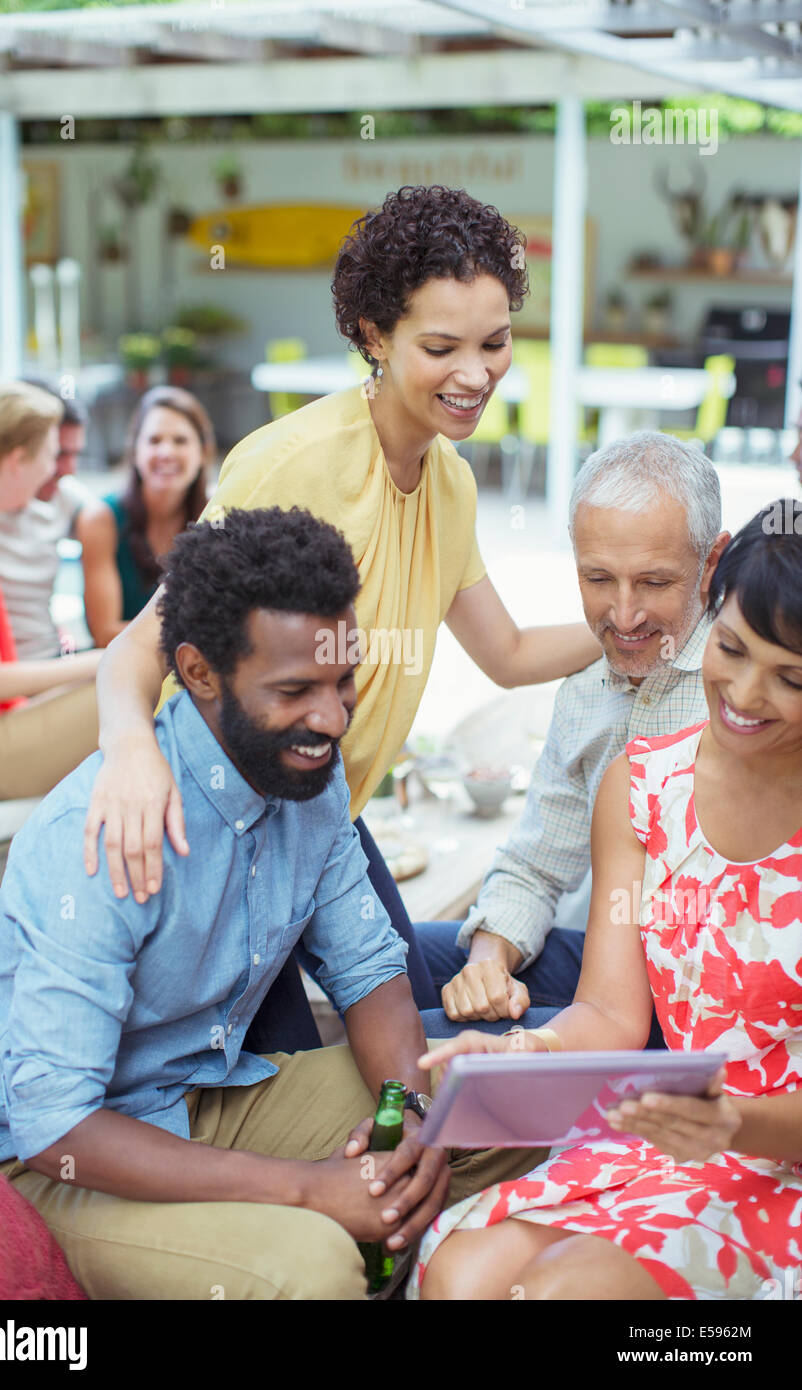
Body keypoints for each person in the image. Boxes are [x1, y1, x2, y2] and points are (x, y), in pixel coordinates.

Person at [0, 507, 536, 1301]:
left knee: (498, 1113)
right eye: (295, 690)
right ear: (197, 673)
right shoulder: (105, 830)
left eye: (343, 680)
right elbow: (54, 1125)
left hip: (207, 1096)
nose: (330, 720)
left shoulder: (310, 777)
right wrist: (303, 1187)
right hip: (56, 1160)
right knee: (310, 1264)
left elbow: (367, 973)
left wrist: (415, 1120)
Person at [80, 185, 601, 1040]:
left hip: (325, 827)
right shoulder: (294, 465)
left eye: (496, 342)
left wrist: (642, 625)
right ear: (372, 335)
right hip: (218, 834)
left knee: (416, 1040)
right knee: (290, 1079)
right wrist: (129, 753)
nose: (476, 374)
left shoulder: (451, 482)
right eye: (441, 347)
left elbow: (504, 651)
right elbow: (137, 652)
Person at [409, 500, 802, 1301]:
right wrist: (521, 1057)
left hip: (781, 1163)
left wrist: (734, 1121)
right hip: (670, 1138)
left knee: (560, 1294)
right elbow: (611, 1016)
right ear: (708, 613)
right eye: (730, 648)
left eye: (792, 677)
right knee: (460, 1274)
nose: (747, 694)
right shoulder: (643, 785)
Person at [417, 431, 731, 1039]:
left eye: (655, 582)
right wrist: (488, 962)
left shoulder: (746, 685)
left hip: (716, 996)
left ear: (711, 562)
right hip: (610, 971)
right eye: (598, 579)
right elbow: (536, 864)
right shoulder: (587, 689)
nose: (624, 614)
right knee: (389, 966)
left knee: (430, 1041)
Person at [0, 382, 100, 806]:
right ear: (16, 461)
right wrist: (102, 660)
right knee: (141, 678)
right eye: (49, 455)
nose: (54, 470)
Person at [75, 385, 212, 648]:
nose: (166, 452)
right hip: (123, 673)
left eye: (180, 441)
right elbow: (105, 633)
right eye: (154, 440)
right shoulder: (100, 519)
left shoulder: (217, 517)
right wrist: (200, 633)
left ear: (203, 452)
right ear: (135, 451)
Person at [0, 386, 91, 659]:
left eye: (75, 454)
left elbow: (106, 516)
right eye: (57, 454)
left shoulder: (67, 498)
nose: (69, 470)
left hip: (48, 659)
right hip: (4, 674)